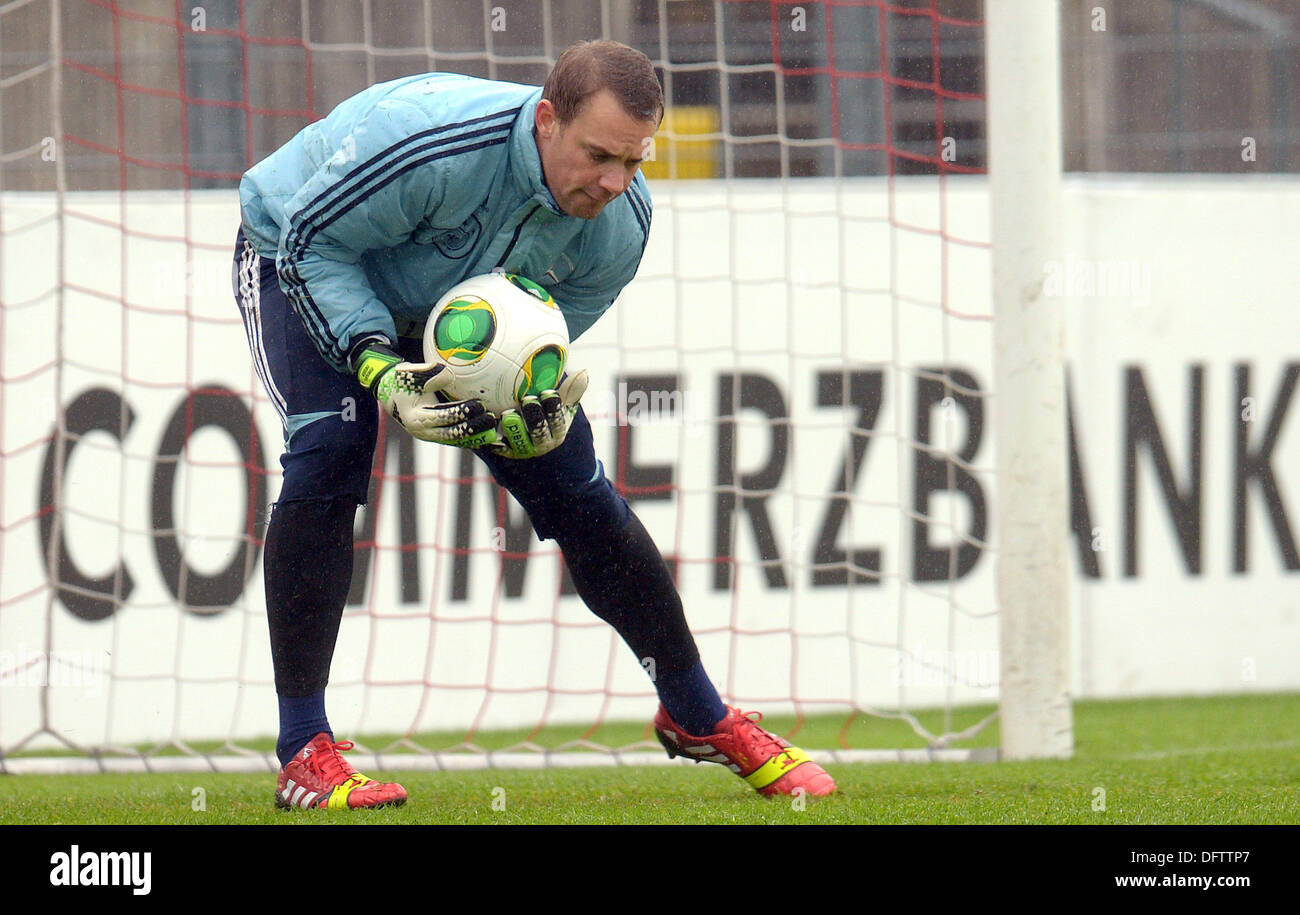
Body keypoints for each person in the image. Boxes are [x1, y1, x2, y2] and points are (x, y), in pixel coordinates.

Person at [233, 39, 835, 810]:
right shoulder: (429, 144)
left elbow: (542, 333)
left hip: (455, 316)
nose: (615, 182)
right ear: (547, 120)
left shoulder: (621, 226)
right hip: (298, 255)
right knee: (330, 451)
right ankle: (303, 751)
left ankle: (697, 712)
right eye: (598, 156)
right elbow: (314, 245)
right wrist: (382, 369)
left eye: (635, 162)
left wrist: (528, 401)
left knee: (577, 488)